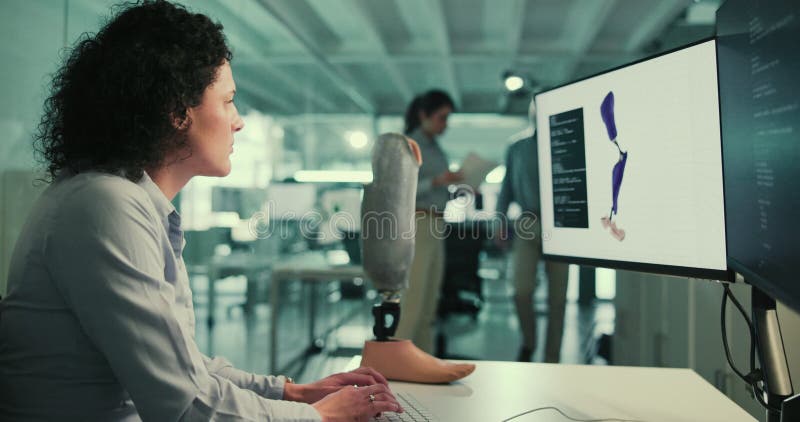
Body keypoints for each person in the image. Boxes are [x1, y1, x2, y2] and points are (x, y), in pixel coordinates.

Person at [0, 1, 400, 421]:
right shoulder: (105, 205)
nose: (238, 121)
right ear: (177, 111)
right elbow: (185, 405)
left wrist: (291, 392)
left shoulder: (122, 200)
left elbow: (183, 366)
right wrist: (321, 417)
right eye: (227, 101)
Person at [496, 100, 569, 363]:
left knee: (557, 299)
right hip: (528, 222)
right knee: (520, 290)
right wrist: (500, 222)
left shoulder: (565, 145)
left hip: (561, 224)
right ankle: (529, 342)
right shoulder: (518, 147)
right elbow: (506, 190)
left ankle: (552, 358)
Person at [394, 89, 462, 354]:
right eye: (441, 118)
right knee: (412, 302)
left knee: (428, 303)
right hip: (417, 223)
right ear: (424, 115)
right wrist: (436, 181)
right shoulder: (409, 144)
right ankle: (394, 370)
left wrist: (455, 187)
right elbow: (399, 186)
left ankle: (421, 362)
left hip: (436, 223)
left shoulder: (434, 147)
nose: (445, 125)